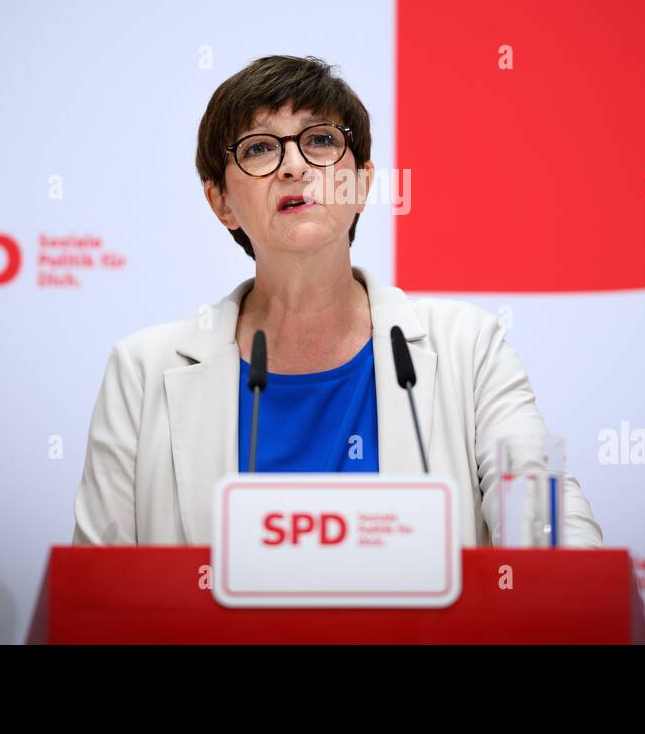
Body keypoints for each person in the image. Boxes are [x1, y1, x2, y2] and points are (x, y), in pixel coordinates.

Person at [71, 54, 604, 551]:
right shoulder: (144, 369)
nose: (292, 166)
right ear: (221, 202)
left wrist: (597, 610)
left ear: (362, 183)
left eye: (320, 141)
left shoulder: (469, 346)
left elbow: (549, 533)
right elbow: (98, 594)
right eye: (259, 147)